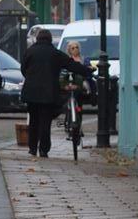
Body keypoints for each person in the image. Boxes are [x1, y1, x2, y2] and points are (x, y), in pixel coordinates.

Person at [22, 28, 92, 158]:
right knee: (45, 121)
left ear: (37, 39)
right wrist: (87, 71)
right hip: (48, 93)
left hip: (31, 92)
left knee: (34, 120)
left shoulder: (29, 52)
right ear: (50, 40)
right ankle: (44, 149)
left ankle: (32, 148)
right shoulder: (55, 53)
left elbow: (23, 70)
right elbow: (71, 65)